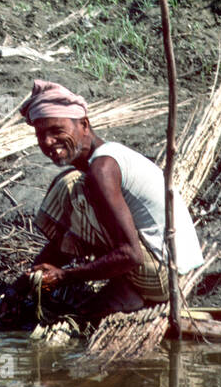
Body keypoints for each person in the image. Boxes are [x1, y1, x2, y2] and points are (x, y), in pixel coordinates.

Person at [19, 79, 205, 319]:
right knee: (73, 186)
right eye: (41, 134)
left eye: (56, 130)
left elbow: (131, 254)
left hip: (166, 277)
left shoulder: (103, 169)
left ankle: (133, 291)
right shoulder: (104, 161)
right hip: (175, 270)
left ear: (84, 125)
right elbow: (70, 236)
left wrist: (65, 276)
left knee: (69, 187)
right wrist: (27, 283)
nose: (47, 142)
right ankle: (126, 287)